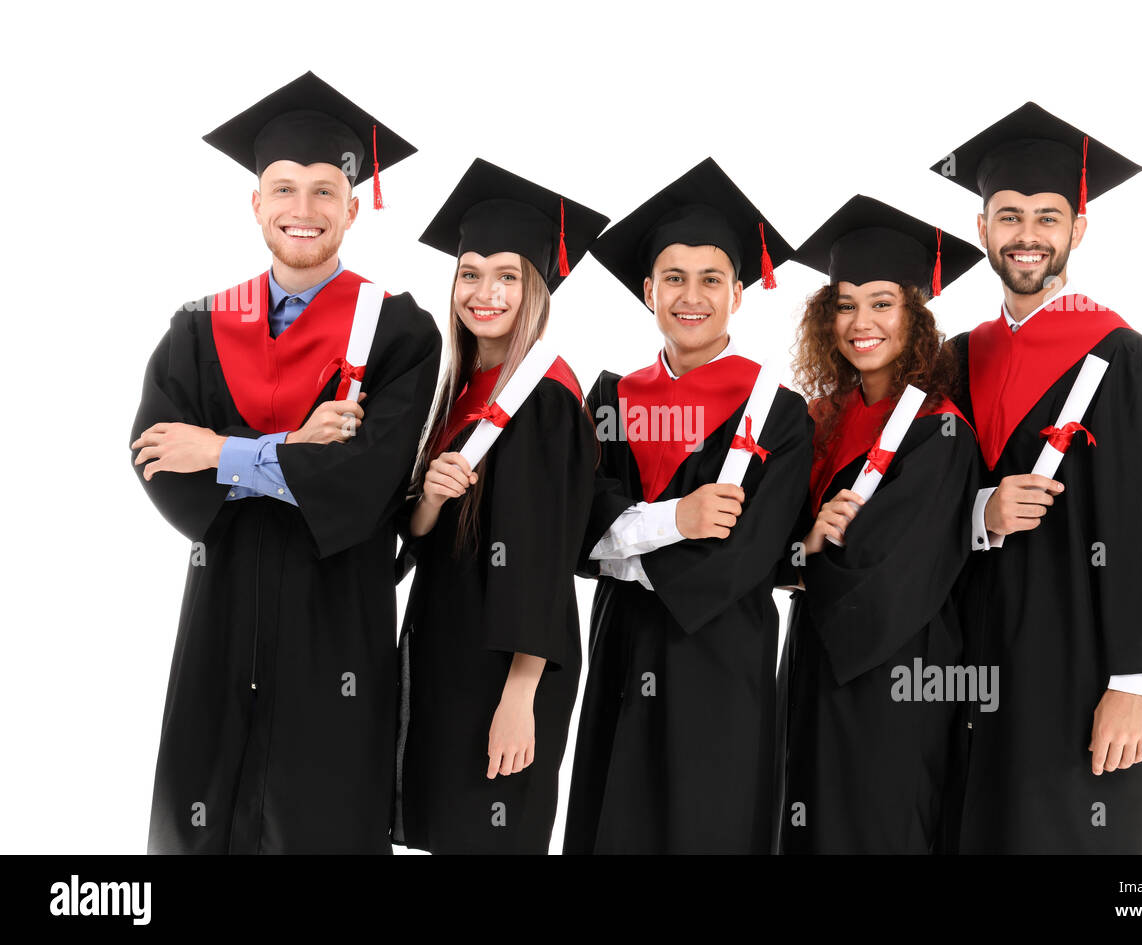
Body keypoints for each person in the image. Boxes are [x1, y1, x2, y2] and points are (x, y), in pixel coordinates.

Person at [128, 72, 440, 853]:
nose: (303, 210)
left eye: (325, 190)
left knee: (322, 810)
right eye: (284, 188)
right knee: (203, 810)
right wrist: (294, 451)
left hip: (336, 614)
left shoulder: (401, 331)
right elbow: (158, 457)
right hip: (222, 606)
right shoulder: (198, 328)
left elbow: (368, 484)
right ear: (256, 202)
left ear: (353, 205)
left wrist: (222, 450)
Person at [930, 102, 1142, 853]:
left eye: (1048, 217)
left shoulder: (1130, 363)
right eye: (1010, 215)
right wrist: (982, 513)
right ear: (983, 228)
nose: (1028, 234)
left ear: (1077, 231)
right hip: (962, 666)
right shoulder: (953, 361)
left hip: (1081, 671)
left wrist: (1136, 684)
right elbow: (918, 505)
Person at [563, 158, 814, 854]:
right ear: (648, 289)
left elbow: (748, 557)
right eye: (673, 277)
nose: (691, 295)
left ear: (739, 290)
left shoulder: (779, 415)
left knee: (712, 825)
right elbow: (579, 526)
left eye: (712, 279)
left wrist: (627, 548)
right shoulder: (610, 398)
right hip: (619, 649)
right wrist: (677, 520)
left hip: (721, 660)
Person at [392, 159, 608, 854]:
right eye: (471, 273)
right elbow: (425, 540)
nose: (485, 291)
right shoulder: (459, 389)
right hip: (445, 655)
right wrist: (428, 495)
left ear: (536, 289)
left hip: (509, 665)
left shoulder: (544, 399)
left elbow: (545, 560)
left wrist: (520, 696)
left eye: (508, 276)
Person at [776, 196, 984, 854]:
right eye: (845, 303)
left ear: (914, 316)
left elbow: (888, 570)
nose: (861, 321)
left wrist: (802, 557)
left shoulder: (940, 430)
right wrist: (800, 549)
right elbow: (773, 542)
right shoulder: (816, 421)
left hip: (896, 675)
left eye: (882, 301)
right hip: (811, 665)